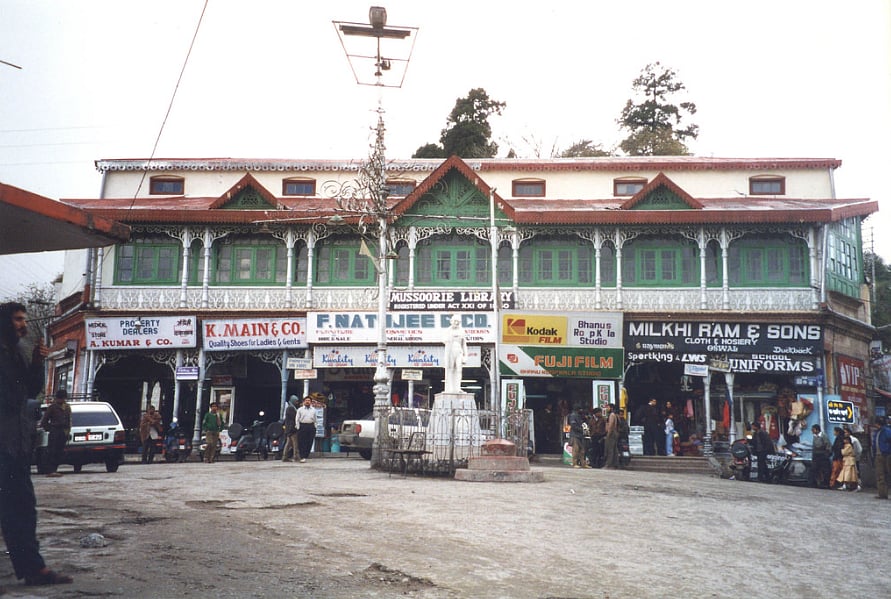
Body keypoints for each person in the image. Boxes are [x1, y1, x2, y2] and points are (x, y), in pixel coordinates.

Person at [0, 301, 73, 586]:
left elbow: (29, 391)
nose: (23, 325)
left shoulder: (15, 353)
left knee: (22, 507)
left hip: (14, 445)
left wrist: (36, 361)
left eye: (24, 319)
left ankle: (33, 568)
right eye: (18, 319)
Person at [39, 389, 71, 477]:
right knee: (52, 451)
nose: (63, 400)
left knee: (59, 452)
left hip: (63, 431)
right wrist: (50, 428)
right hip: (54, 431)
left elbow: (69, 420)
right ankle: (50, 470)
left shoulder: (67, 407)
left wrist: (67, 431)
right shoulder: (52, 407)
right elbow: (44, 421)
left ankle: (55, 469)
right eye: (61, 398)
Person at [442, 315, 467, 393]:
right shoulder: (447, 331)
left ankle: (458, 388)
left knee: (459, 369)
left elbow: (464, 344)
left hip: (459, 351)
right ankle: (450, 388)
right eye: (455, 321)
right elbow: (444, 340)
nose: (456, 323)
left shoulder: (462, 331)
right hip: (450, 352)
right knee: (450, 369)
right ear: (451, 321)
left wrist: (465, 356)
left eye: (458, 322)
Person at [873, 416, 891, 500]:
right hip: (878, 455)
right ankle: (882, 493)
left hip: (886, 455)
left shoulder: (886, 431)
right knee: (880, 475)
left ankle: (883, 493)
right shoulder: (877, 432)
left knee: (886, 474)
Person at [296, 395, 318, 463]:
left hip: (311, 426)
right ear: (304, 402)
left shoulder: (313, 410)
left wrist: (315, 427)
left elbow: (315, 419)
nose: (307, 402)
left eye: (309, 401)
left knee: (309, 442)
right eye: (306, 400)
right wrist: (298, 427)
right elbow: (297, 419)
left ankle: (306, 455)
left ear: (311, 402)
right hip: (302, 426)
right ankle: (302, 456)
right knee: (302, 442)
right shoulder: (300, 410)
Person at [809, 424, 831, 489]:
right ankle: (814, 483)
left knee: (825, 470)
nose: (812, 431)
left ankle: (825, 484)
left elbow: (828, 445)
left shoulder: (823, 436)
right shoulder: (814, 436)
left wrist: (827, 454)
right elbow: (814, 446)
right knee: (814, 469)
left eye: (813, 430)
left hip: (823, 455)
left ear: (817, 430)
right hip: (816, 455)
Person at [281, 395, 299, 462]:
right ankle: (296, 456)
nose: (297, 402)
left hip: (290, 428)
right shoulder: (291, 408)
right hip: (291, 428)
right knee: (295, 443)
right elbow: (293, 418)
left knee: (288, 443)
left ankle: (285, 457)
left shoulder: (291, 407)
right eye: (296, 401)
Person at [603, 403, 620, 469]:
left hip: (612, 433)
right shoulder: (614, 415)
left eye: (608, 407)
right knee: (614, 449)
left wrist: (608, 434)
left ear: (611, 408)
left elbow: (611, 425)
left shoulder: (612, 415)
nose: (607, 409)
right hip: (614, 433)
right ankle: (615, 464)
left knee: (610, 449)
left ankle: (608, 464)